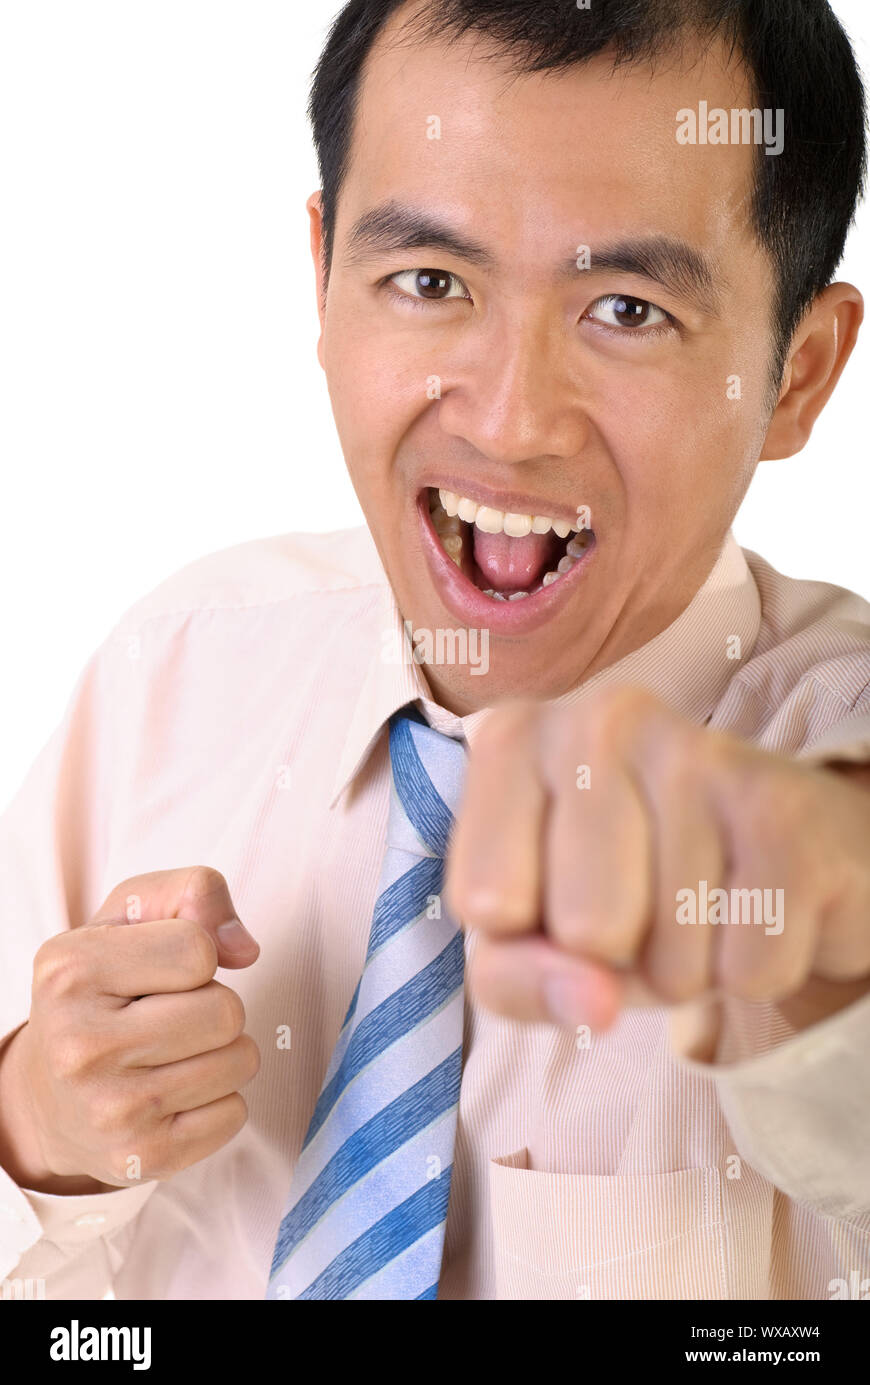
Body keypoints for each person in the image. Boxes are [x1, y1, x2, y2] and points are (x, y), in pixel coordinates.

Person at [1, 0, 869, 1301]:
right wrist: (35, 1129)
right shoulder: (178, 666)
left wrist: (809, 908)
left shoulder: (833, 742)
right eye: (429, 283)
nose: (511, 420)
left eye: (626, 309)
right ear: (322, 280)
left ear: (794, 375)